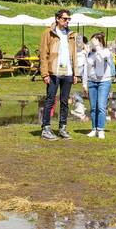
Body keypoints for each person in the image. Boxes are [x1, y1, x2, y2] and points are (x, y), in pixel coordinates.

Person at [39, 8, 76, 141]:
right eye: (65, 19)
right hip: (53, 72)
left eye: (68, 19)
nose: (67, 21)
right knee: (50, 100)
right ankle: (46, 128)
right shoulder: (48, 33)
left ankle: (62, 128)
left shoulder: (71, 34)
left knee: (65, 101)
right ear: (57, 19)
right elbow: (43, 54)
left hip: (68, 73)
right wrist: (44, 73)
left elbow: (74, 56)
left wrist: (75, 73)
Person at [86, 33, 113, 140]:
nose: (91, 43)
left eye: (93, 41)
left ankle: (100, 130)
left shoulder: (106, 51)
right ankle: (94, 129)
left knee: (101, 106)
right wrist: (84, 83)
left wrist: (97, 47)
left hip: (104, 82)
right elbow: (86, 68)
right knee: (93, 108)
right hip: (92, 82)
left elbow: (102, 57)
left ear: (99, 41)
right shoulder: (90, 53)